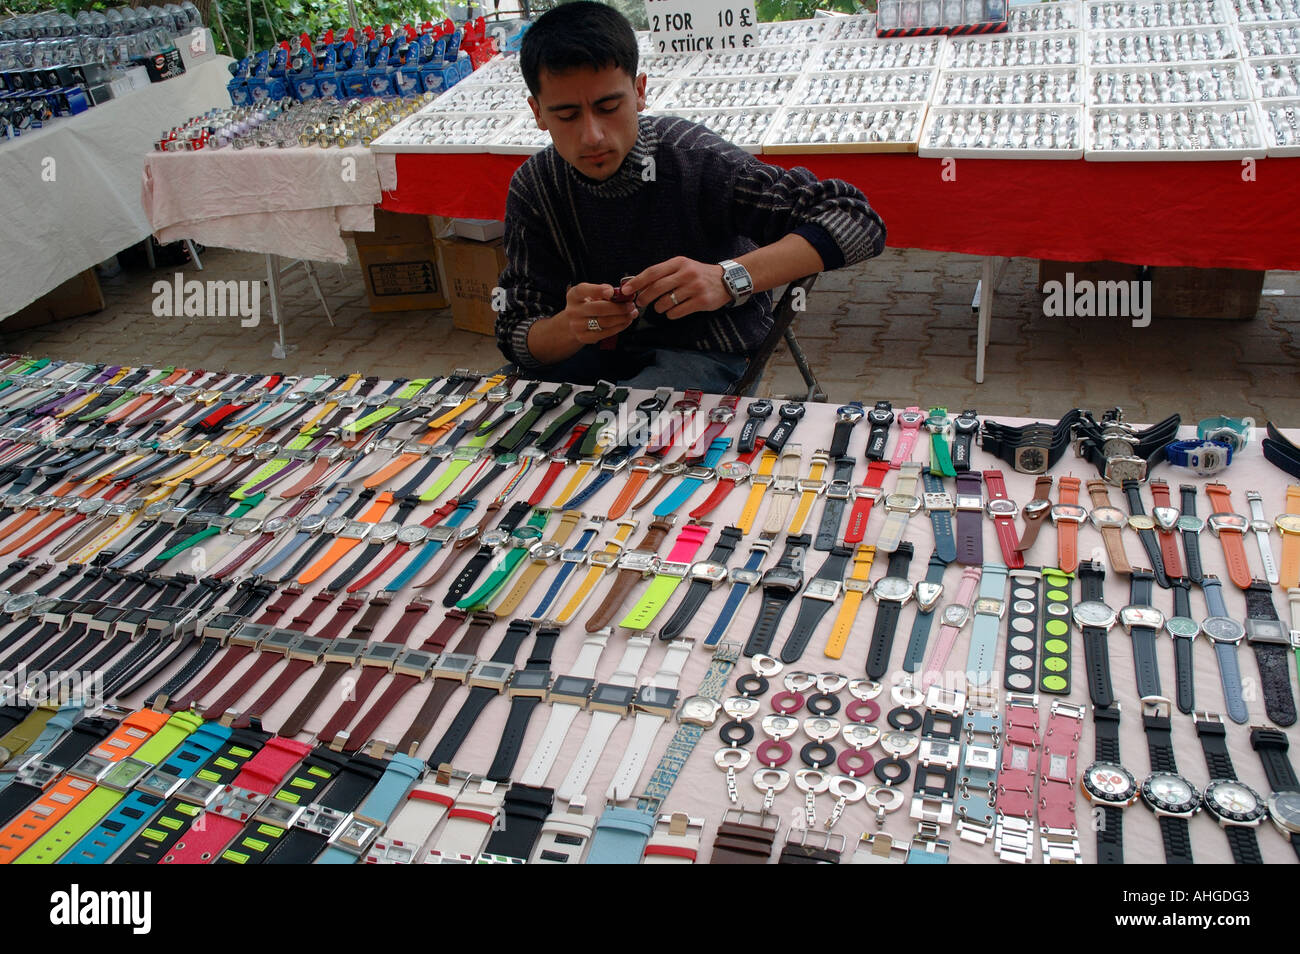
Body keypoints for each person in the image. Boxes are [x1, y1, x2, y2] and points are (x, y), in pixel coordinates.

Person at [494, 1, 887, 393]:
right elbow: (516, 333)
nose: (593, 135)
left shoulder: (695, 159)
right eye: (567, 116)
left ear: (640, 91)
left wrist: (729, 277)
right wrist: (573, 326)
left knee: (633, 431)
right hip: (589, 356)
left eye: (608, 106)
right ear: (538, 112)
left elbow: (855, 219)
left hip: (707, 354)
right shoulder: (535, 187)